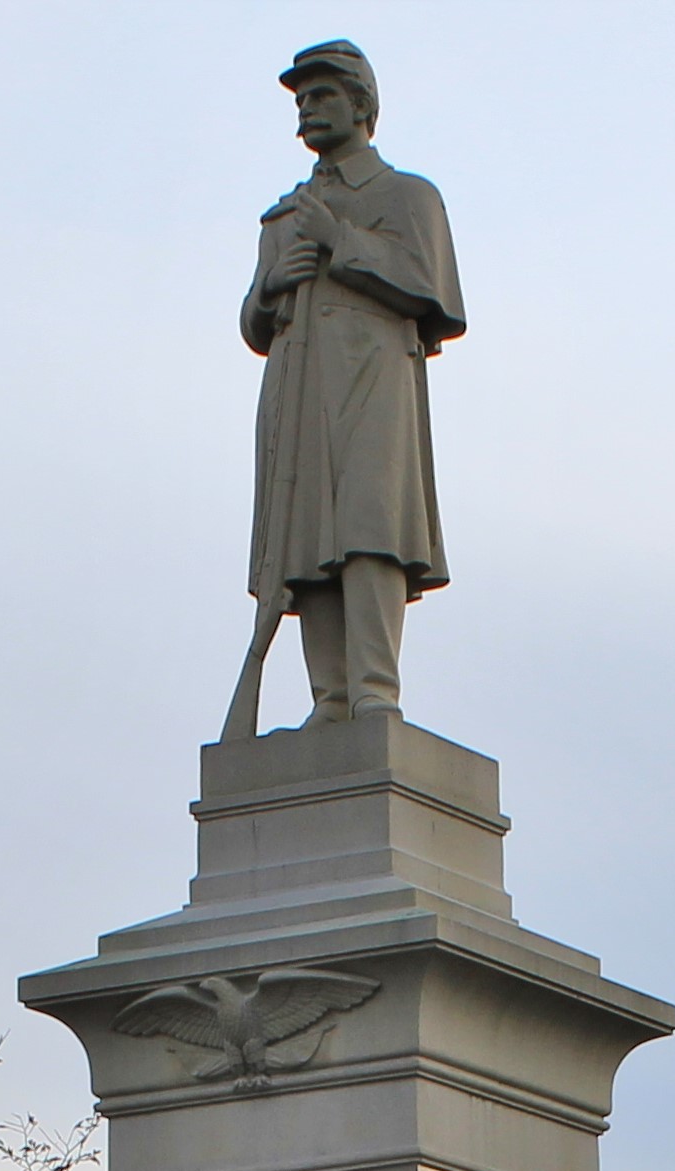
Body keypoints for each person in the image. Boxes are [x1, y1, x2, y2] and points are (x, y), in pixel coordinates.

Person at [235, 39, 464, 731]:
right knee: (305, 541)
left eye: (323, 95)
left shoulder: (406, 196)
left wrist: (342, 241)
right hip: (297, 384)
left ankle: (372, 690)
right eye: (301, 100)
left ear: (362, 105)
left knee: (369, 527)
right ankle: (330, 698)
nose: (307, 110)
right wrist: (273, 284)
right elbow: (253, 319)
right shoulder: (284, 214)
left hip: (373, 375)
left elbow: (434, 292)